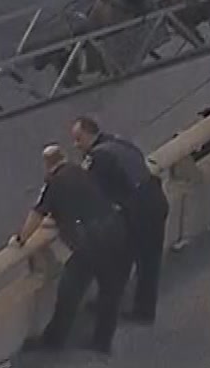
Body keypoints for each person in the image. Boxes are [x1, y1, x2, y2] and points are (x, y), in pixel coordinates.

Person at [14, 146, 128, 354]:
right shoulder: (79, 171)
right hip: (115, 231)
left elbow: (37, 214)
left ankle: (54, 340)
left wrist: (21, 239)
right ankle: (102, 342)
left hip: (91, 242)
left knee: (69, 291)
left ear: (48, 165)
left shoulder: (55, 183)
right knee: (110, 290)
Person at [70, 116, 171, 325]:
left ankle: (108, 303)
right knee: (150, 261)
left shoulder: (98, 158)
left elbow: (89, 193)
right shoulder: (120, 141)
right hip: (155, 199)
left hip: (138, 212)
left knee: (119, 258)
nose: (76, 145)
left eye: (78, 139)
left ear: (89, 135)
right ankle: (145, 310)